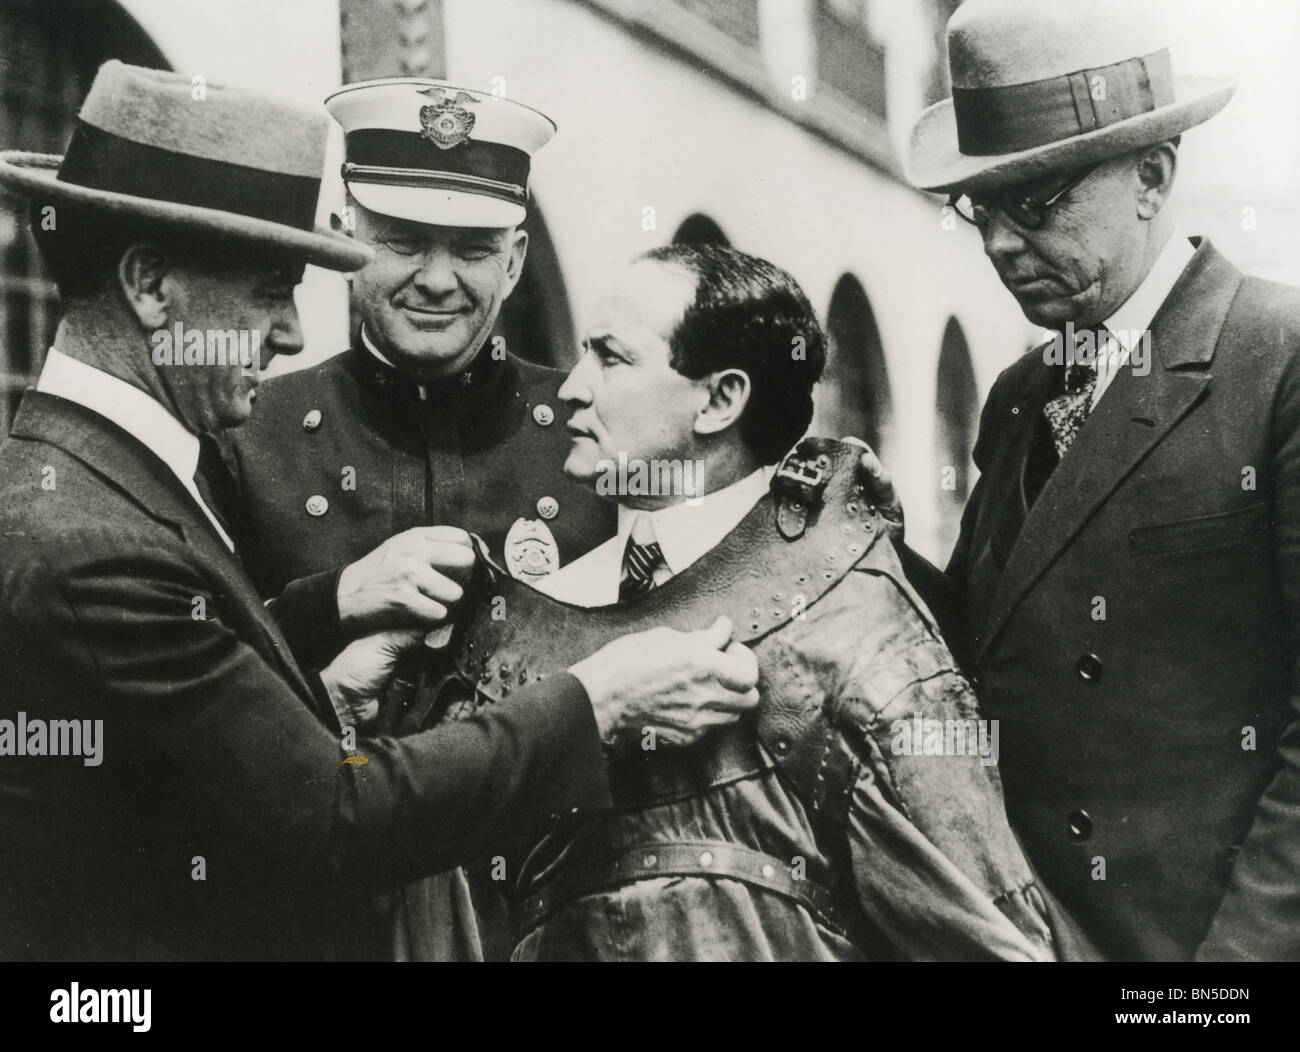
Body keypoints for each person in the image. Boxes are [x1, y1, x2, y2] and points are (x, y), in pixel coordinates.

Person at [0, 62, 759, 961]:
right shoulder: (110, 525)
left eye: (472, 248)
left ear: (514, 260)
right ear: (153, 284)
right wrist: (597, 700)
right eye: (268, 290)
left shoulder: (105, 481)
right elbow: (332, 815)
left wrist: (317, 682)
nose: (288, 330)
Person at [433, 244, 1059, 961]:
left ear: (720, 399)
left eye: (612, 359)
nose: (571, 388)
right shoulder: (537, 608)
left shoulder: (858, 622)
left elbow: (994, 942)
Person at [873, 0, 1300, 960]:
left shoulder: (1278, 362)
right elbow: (989, 651)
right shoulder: (1022, 394)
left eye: (1039, 202)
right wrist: (850, 536)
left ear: (1152, 175)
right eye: (978, 208)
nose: (997, 245)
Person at [228, 79, 614, 674]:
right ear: (343, 241)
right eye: (404, 241)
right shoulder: (249, 434)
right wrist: (327, 605)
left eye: (474, 250)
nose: (437, 279)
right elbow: (193, 667)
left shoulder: (594, 435)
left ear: (513, 264)